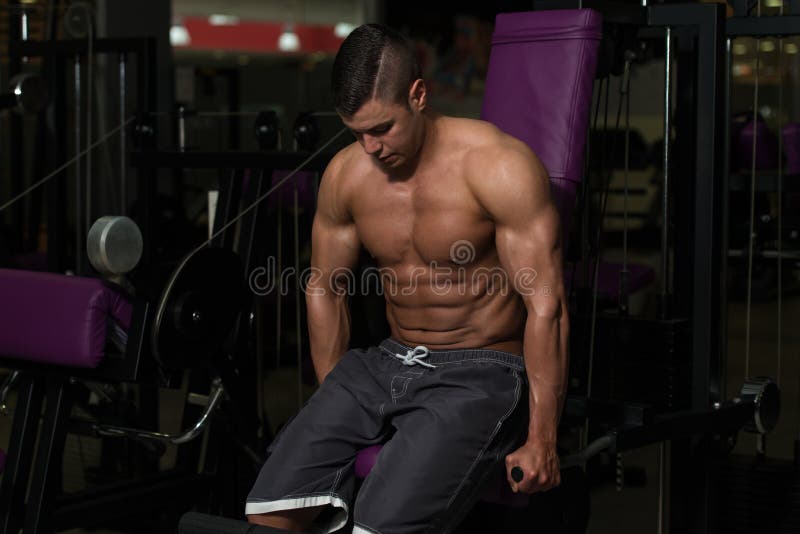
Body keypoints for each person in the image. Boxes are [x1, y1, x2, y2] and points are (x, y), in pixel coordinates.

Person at [247, 23, 569, 534]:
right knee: (271, 515)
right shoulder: (347, 175)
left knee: (377, 526)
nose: (370, 148)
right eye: (357, 133)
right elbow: (324, 287)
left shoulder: (498, 167)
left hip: (480, 368)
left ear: (418, 95)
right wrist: (337, 397)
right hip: (385, 361)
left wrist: (542, 437)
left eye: (382, 128)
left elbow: (546, 305)